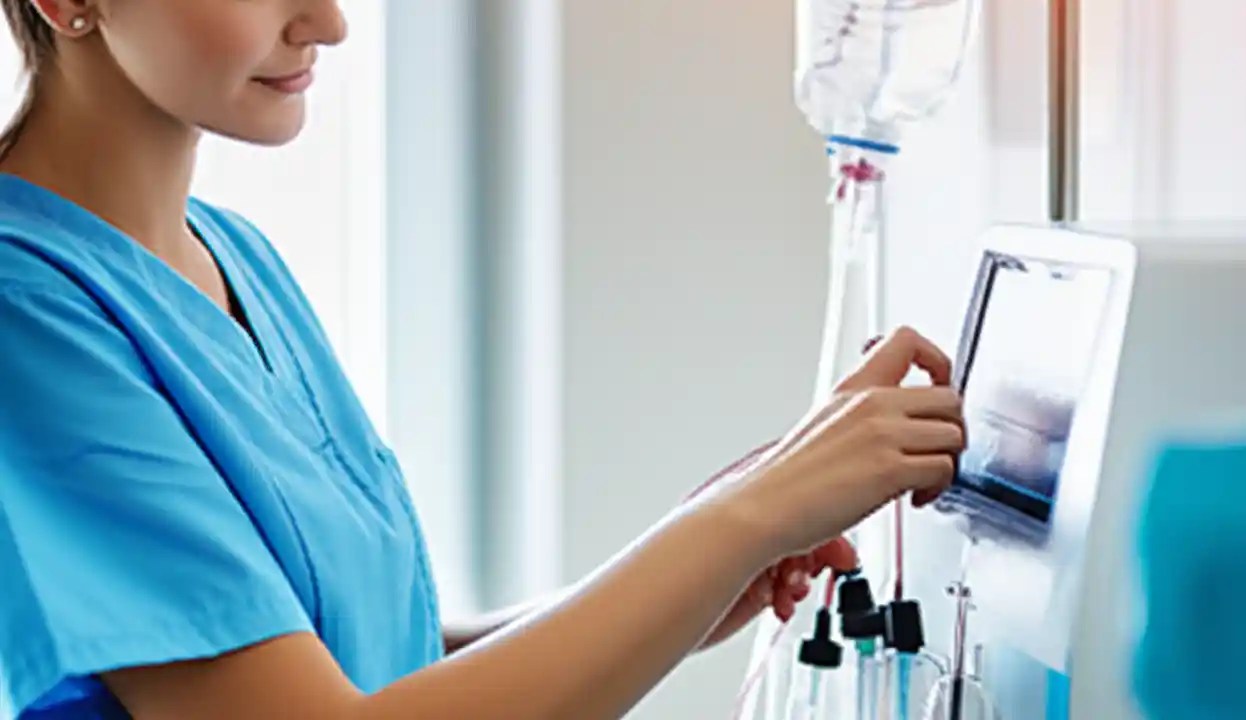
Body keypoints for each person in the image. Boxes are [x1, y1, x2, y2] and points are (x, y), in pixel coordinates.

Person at [0, 2, 966, 719]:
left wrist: (695, 572)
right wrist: (740, 523)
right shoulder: (26, 311)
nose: (329, 22)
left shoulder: (230, 256)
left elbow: (368, 659)